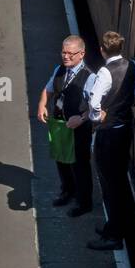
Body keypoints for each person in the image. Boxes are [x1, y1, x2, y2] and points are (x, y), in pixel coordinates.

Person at [85, 31, 135, 252]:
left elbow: (94, 100)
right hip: (124, 129)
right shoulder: (131, 66)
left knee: (109, 184)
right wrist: (132, 95)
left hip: (108, 132)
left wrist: (97, 116)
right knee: (117, 181)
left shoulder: (105, 71)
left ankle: (113, 235)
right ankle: (113, 226)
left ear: (102, 50)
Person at [37, 36, 93, 217]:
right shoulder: (60, 69)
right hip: (60, 123)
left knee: (80, 165)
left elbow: (97, 107)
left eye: (70, 53)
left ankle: (84, 202)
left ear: (81, 54)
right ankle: (67, 191)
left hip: (78, 128)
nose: (65, 56)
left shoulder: (90, 77)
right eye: (63, 52)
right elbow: (48, 89)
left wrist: (82, 118)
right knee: (61, 159)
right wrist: (41, 104)